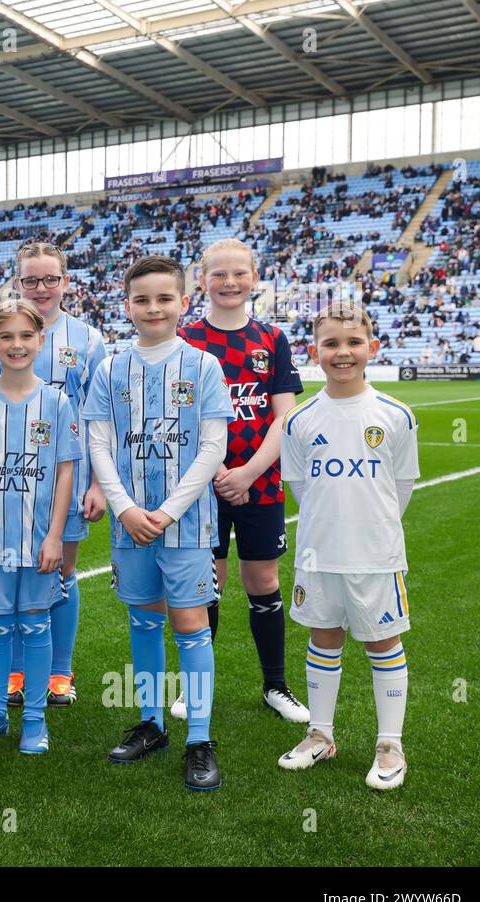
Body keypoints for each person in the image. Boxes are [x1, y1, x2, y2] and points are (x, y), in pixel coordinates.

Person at [83, 255, 233, 791]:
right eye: (142, 299)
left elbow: (213, 447)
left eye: (164, 298)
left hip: (187, 525)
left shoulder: (204, 367)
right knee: (144, 621)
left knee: (191, 625)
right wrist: (124, 506)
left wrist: (168, 511)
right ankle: (152, 722)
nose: (153, 308)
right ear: (127, 306)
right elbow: (98, 443)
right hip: (129, 524)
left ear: (183, 303)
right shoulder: (109, 370)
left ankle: (199, 737)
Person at [277, 303, 418, 790]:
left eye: (354, 343)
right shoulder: (298, 420)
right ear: (314, 353)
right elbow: (302, 487)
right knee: (322, 638)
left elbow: (401, 488)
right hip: (319, 553)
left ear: (372, 349)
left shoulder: (396, 415)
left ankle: (390, 743)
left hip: (376, 555)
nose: (343, 353)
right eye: (331, 344)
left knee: (383, 643)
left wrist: (369, 529)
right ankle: (320, 734)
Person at [0, 241, 106, 709]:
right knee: (8, 573)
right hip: (2, 484)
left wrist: (97, 482)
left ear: (65, 282)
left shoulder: (87, 339)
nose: (41, 288)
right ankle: (15, 673)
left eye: (50, 279)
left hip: (64, 479)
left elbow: (100, 415)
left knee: (60, 573)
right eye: (31, 280)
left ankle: (59, 674)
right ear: (16, 281)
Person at [177, 238, 310, 722]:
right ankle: (196, 685)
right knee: (205, 583)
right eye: (219, 274)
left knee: (263, 580)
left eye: (239, 273)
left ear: (254, 277)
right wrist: (217, 472)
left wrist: (248, 472)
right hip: (200, 484)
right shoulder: (187, 340)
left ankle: (276, 686)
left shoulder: (271, 338)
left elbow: (284, 417)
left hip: (260, 483)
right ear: (202, 279)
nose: (229, 282)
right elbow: (182, 416)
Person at [0, 300, 77, 755]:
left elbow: (65, 471)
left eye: (26, 336)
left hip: (38, 543)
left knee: (35, 626)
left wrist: (55, 536)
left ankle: (33, 717)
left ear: (41, 341)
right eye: (5, 337)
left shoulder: (56, 400)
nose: (16, 345)